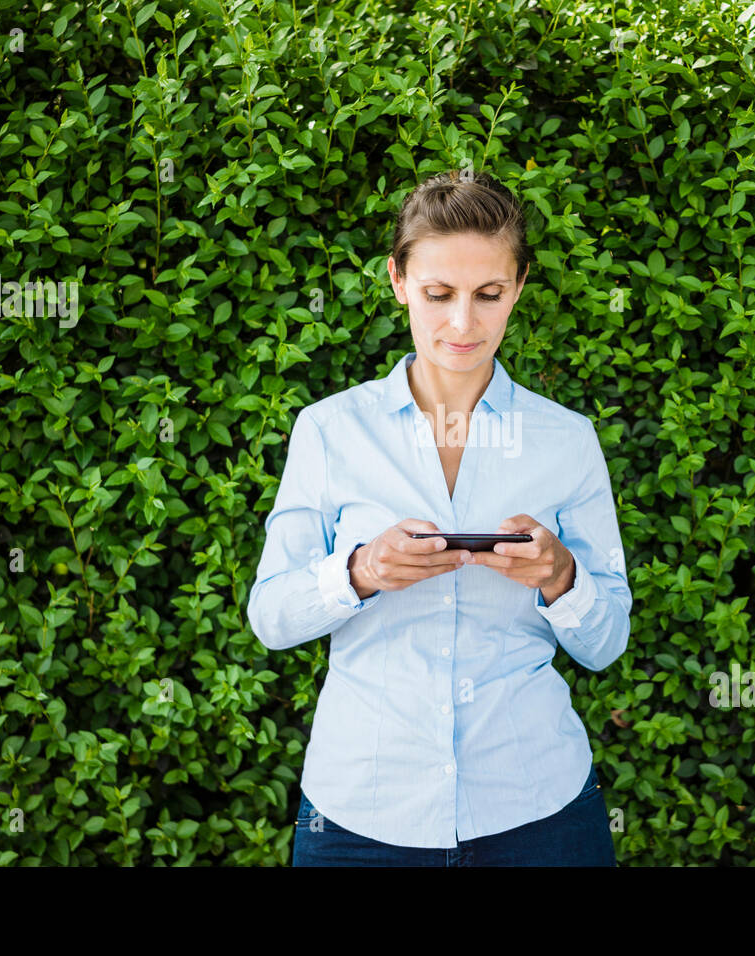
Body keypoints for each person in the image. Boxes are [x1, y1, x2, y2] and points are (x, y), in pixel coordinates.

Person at [245, 168, 632, 866]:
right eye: (437, 294)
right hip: (360, 816)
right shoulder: (330, 431)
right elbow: (271, 617)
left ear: (517, 287)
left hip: (538, 808)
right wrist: (358, 572)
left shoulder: (567, 441)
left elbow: (604, 645)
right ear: (398, 281)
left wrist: (561, 575)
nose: (462, 323)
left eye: (488, 294)